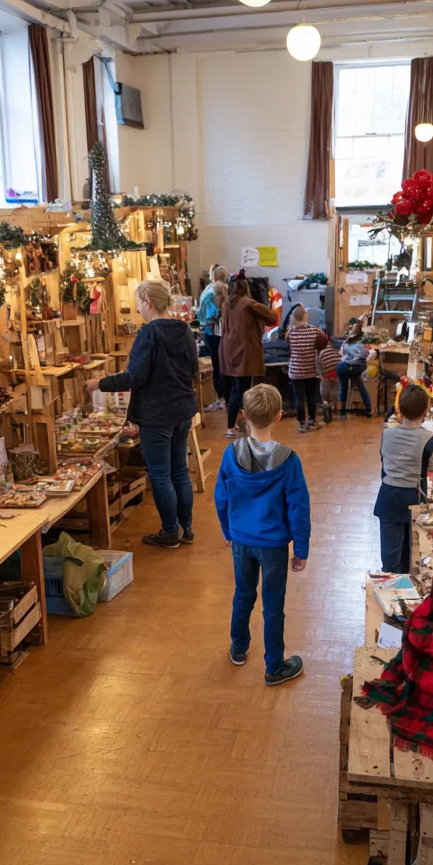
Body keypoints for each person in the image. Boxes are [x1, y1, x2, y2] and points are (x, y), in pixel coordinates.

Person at [87, 279, 198, 549]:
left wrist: (98, 383)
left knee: (160, 474)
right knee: (179, 471)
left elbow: (134, 377)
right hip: (183, 410)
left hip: (157, 414)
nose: (137, 309)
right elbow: (193, 369)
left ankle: (170, 532)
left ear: (148, 302)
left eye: (138, 302)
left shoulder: (149, 334)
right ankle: (186, 528)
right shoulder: (184, 331)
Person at [214, 384, 309, 685]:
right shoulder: (289, 460)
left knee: (243, 595)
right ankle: (274, 666)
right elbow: (299, 508)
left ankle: (238, 648)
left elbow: (221, 496)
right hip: (273, 545)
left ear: (242, 416)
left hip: (241, 539)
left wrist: (227, 529)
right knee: (273, 605)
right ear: (279, 416)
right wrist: (301, 549)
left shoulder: (231, 454)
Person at [373, 383, 433, 573]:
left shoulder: (386, 434)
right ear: (425, 411)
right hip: (414, 496)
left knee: (390, 556)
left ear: (401, 409)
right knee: (413, 554)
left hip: (388, 495)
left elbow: (384, 458)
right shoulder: (429, 438)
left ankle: (391, 591)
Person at [219, 278, 274, 438]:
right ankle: (236, 426)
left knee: (236, 388)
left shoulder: (226, 304)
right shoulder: (249, 304)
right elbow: (272, 318)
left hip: (228, 350)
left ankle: (236, 423)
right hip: (245, 350)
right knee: (242, 389)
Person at [283, 305, 327, 433]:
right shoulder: (314, 330)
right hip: (310, 370)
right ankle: (312, 421)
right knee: (311, 397)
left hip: (296, 371)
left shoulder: (291, 332)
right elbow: (324, 337)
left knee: (299, 398)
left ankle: (302, 424)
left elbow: (286, 341)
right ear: (305, 316)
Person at [196, 267, 229, 409]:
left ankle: (219, 397)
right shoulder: (228, 289)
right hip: (225, 332)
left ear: (213, 276)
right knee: (223, 364)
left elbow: (208, 316)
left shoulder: (212, 291)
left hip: (212, 331)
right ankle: (225, 397)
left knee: (215, 365)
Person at [338, 318, 373, 418]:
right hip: (357, 368)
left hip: (345, 367)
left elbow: (342, 355)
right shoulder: (364, 343)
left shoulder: (347, 343)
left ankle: (342, 412)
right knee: (360, 386)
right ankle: (368, 409)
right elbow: (369, 354)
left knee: (343, 387)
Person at [317, 335, 342, 423]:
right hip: (337, 372)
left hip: (327, 374)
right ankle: (333, 407)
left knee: (324, 392)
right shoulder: (335, 350)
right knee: (334, 392)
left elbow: (319, 366)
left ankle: (326, 409)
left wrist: (320, 375)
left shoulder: (321, 352)